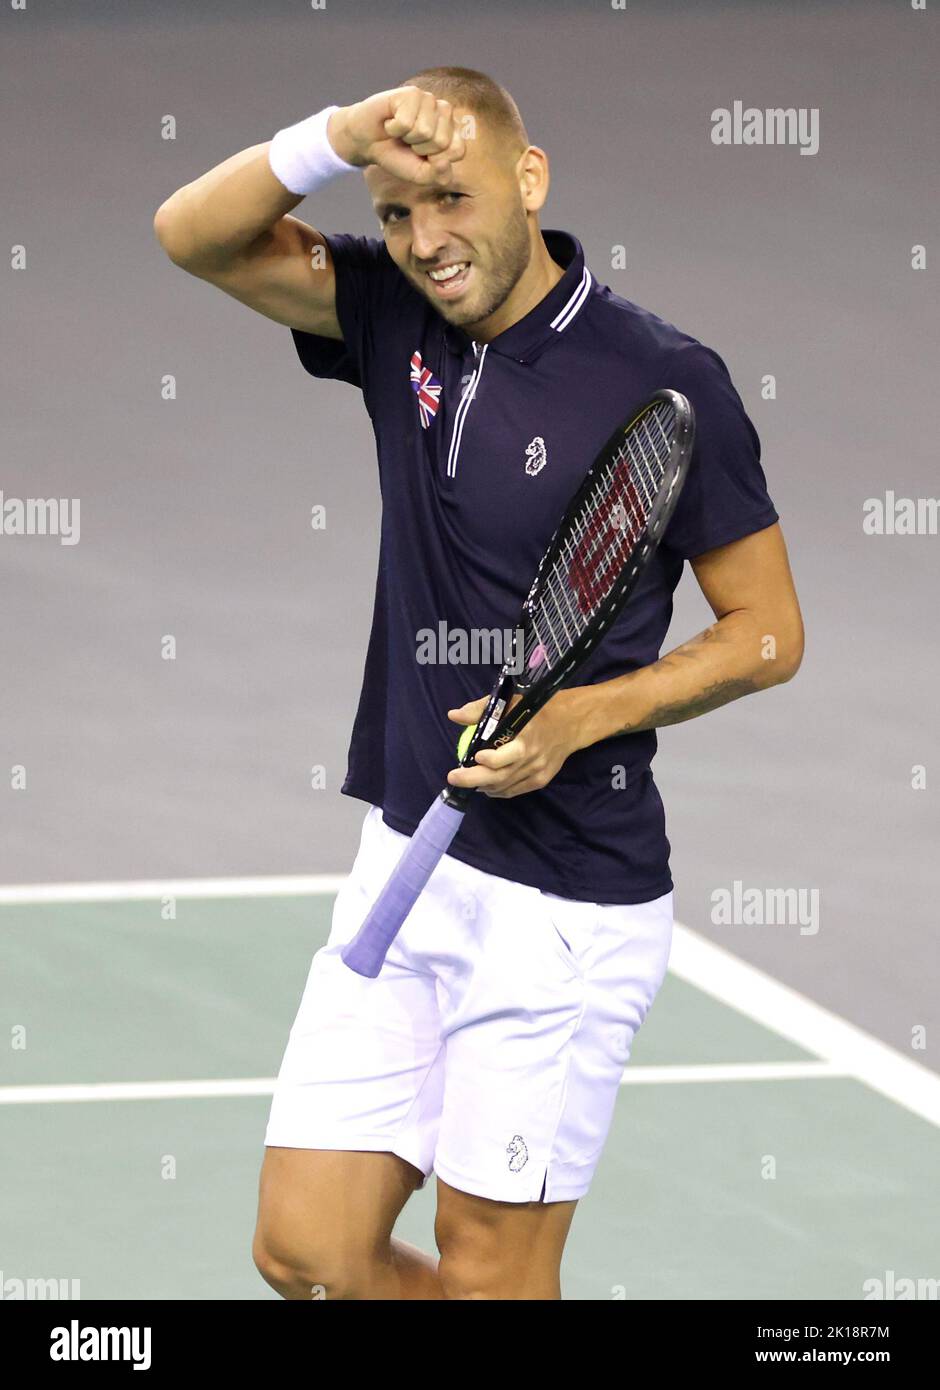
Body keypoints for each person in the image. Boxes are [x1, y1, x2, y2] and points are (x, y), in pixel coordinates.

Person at [154, 66, 804, 1301]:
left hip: (559, 909)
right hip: (408, 858)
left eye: (450, 198)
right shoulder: (392, 316)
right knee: (306, 1250)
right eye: (396, 212)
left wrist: (580, 716)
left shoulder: (664, 378)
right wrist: (334, 135)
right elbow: (193, 234)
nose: (426, 241)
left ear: (530, 178)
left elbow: (768, 632)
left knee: (492, 1276)